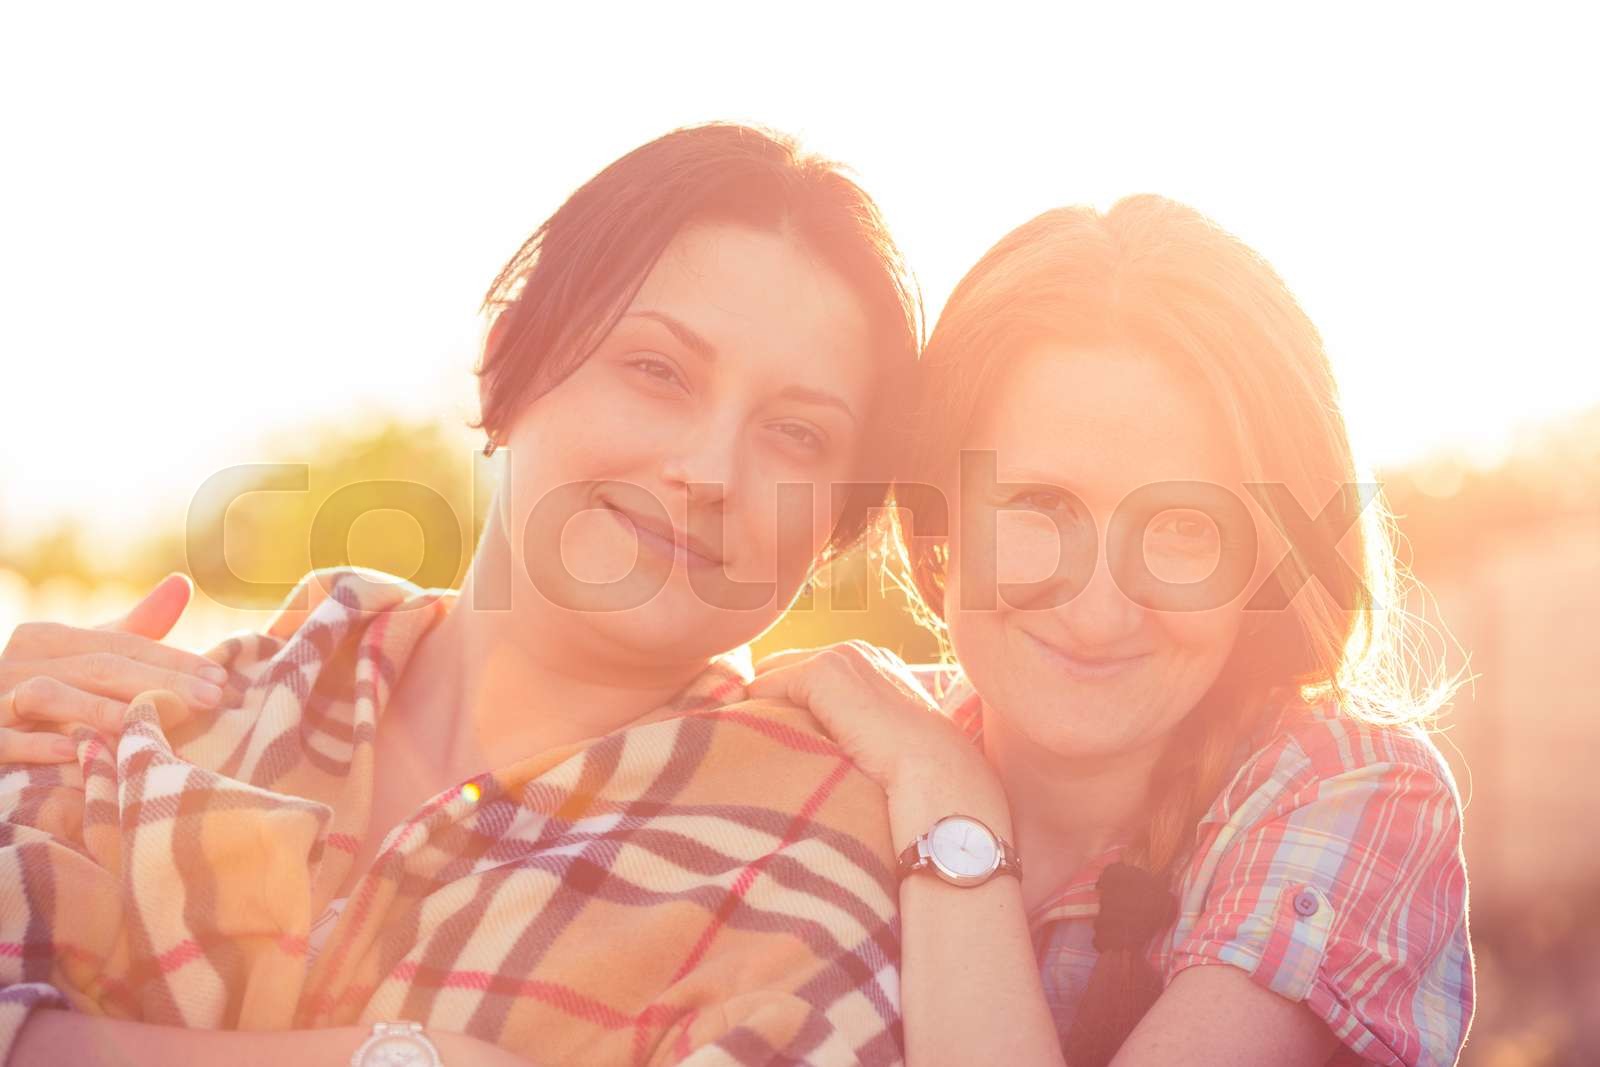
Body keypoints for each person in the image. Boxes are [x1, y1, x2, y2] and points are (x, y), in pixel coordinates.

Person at [0, 123, 920, 1066]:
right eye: (658, 370)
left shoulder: (812, 865)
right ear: (506, 360)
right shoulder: (141, 718)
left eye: (798, 433)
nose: (710, 469)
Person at [752, 197, 1473, 1065]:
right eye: (1041, 504)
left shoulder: (1353, 789)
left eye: (1182, 526)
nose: (1097, 611)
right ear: (938, 521)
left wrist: (949, 802)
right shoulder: (841, 756)